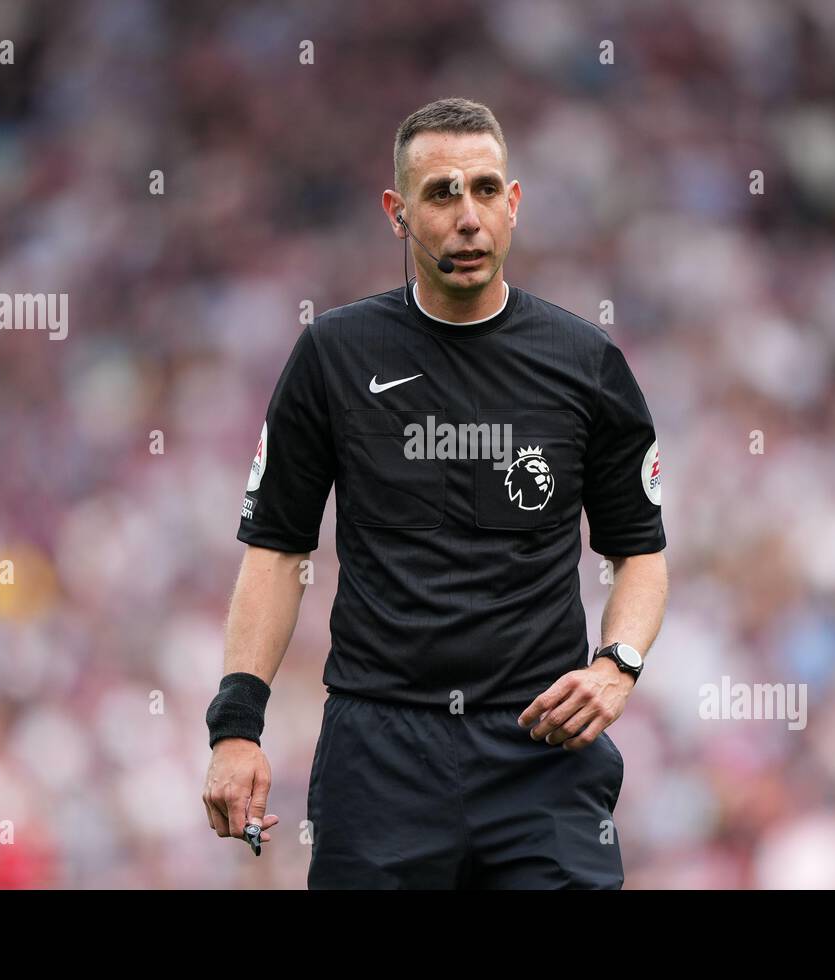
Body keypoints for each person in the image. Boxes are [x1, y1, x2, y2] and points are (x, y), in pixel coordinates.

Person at [202, 97, 668, 888]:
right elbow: (278, 550)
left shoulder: (585, 363)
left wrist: (615, 667)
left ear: (513, 203)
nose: (468, 217)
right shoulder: (333, 355)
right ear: (397, 212)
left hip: (540, 747)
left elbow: (641, 556)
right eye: (441, 193)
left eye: (486, 190)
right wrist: (236, 727)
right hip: (380, 753)